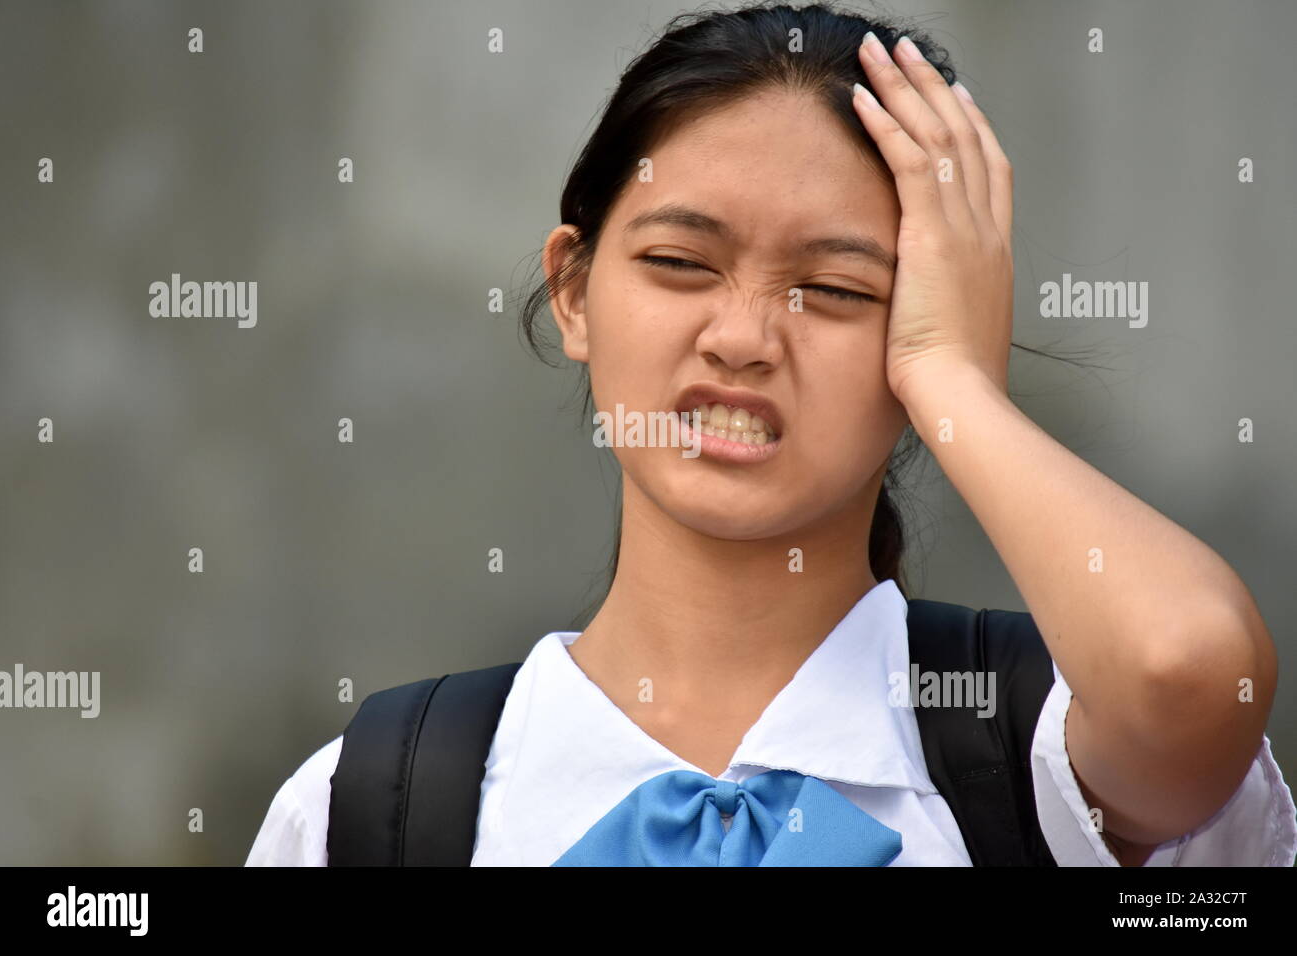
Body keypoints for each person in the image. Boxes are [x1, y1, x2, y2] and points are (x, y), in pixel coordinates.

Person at [246, 2, 1295, 867]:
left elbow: (1191, 670)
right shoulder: (371, 807)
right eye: (678, 263)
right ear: (571, 289)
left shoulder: (1038, 749)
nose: (743, 338)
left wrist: (956, 382)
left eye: (835, 289)